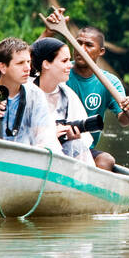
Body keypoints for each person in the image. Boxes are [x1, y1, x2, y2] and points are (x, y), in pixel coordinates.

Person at [40, 11, 129, 171]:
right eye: (78, 43)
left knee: (106, 161)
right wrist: (47, 33)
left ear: (101, 52)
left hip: (82, 146)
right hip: (48, 141)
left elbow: (124, 120)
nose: (81, 49)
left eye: (89, 45)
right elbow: (27, 62)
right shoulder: (60, 69)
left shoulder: (110, 82)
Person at [29, 36, 94, 165]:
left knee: (76, 145)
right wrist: (50, 135)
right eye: (64, 61)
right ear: (46, 64)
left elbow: (86, 141)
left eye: (69, 60)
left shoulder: (68, 95)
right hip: (30, 156)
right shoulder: (25, 92)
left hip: (59, 156)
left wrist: (74, 136)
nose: (70, 65)